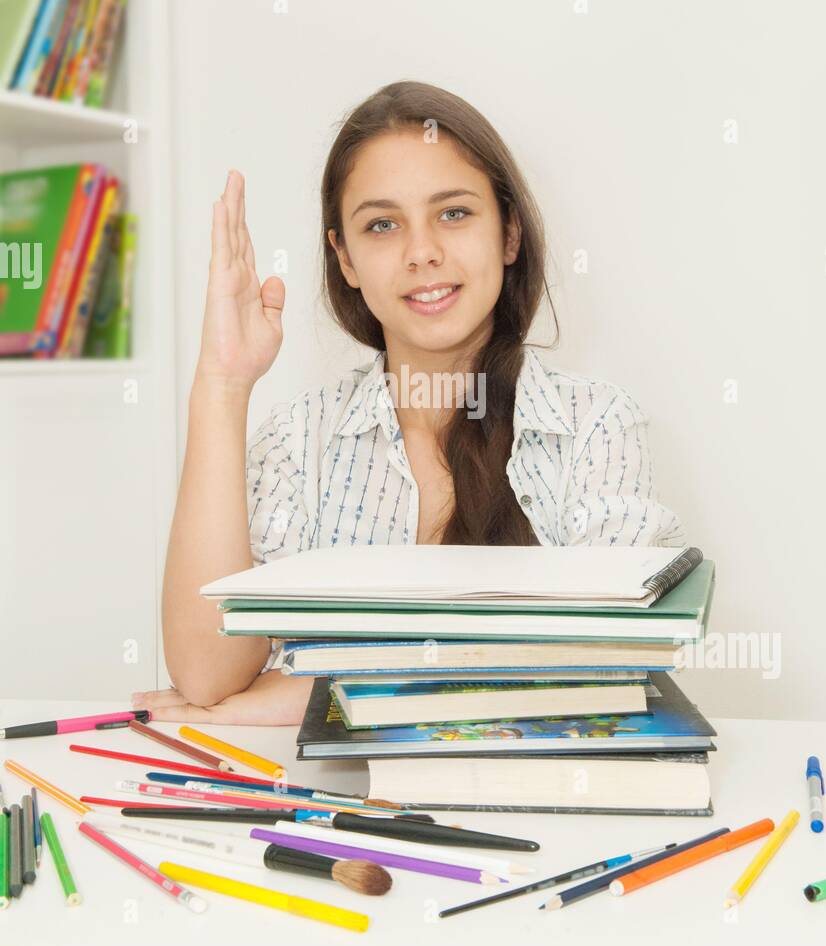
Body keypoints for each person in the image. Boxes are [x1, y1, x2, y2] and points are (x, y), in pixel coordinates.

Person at [136, 81, 684, 726]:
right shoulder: (299, 441)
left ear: (509, 234)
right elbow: (206, 675)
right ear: (345, 257)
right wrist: (222, 386)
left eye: (453, 213)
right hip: (334, 812)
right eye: (382, 224)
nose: (422, 251)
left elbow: (602, 667)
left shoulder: (597, 427)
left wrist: (295, 701)